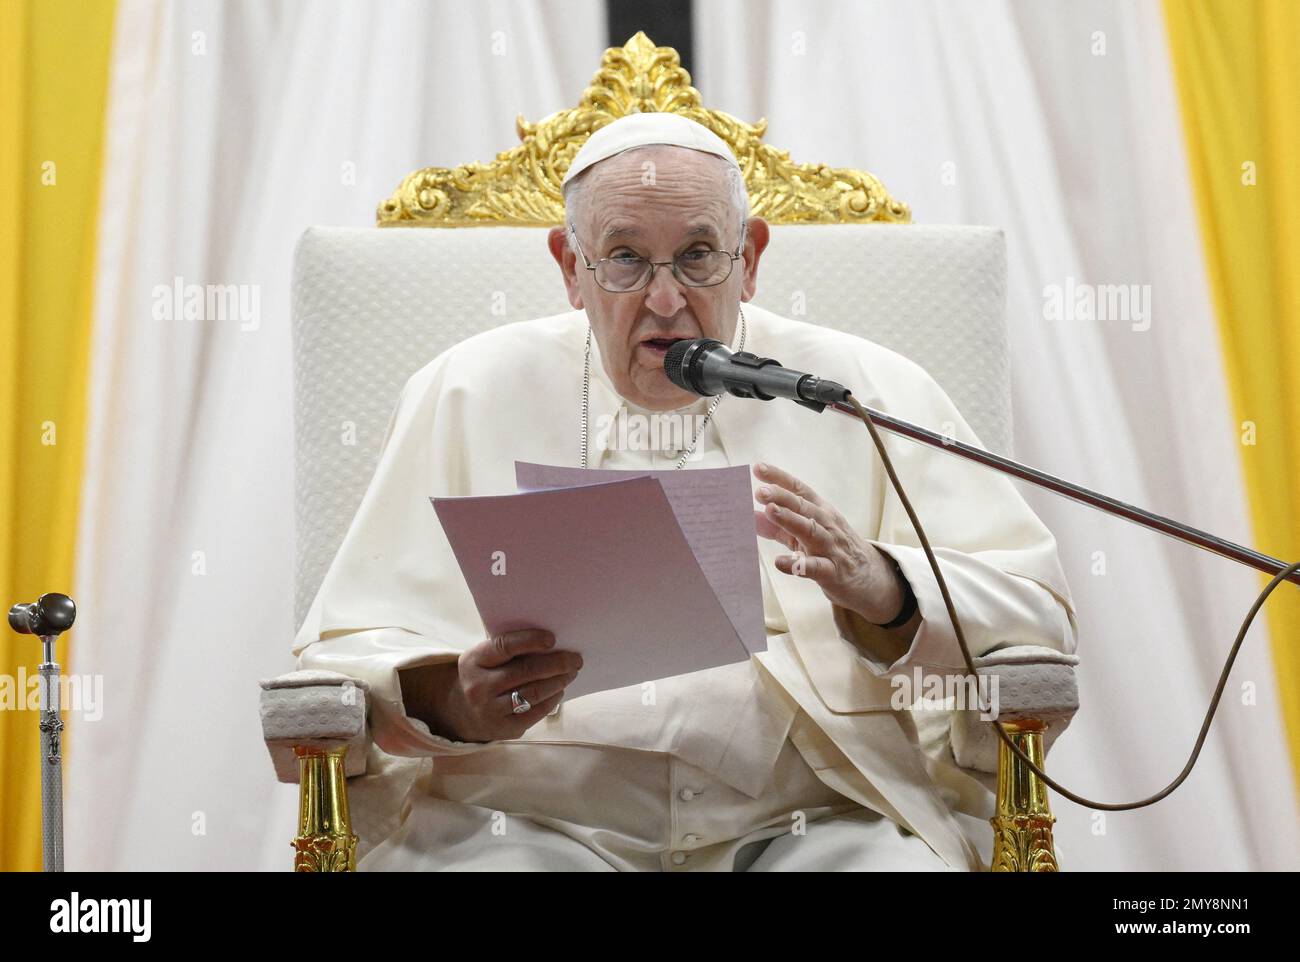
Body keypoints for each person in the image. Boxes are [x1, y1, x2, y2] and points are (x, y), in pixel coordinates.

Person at [292, 112, 1078, 871]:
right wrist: (457, 700)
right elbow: (347, 655)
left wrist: (889, 592)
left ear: (751, 256)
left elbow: (1033, 614)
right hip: (527, 818)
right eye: (626, 258)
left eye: (698, 255)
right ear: (571, 266)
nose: (665, 300)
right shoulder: (465, 391)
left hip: (821, 814)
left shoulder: (858, 392)